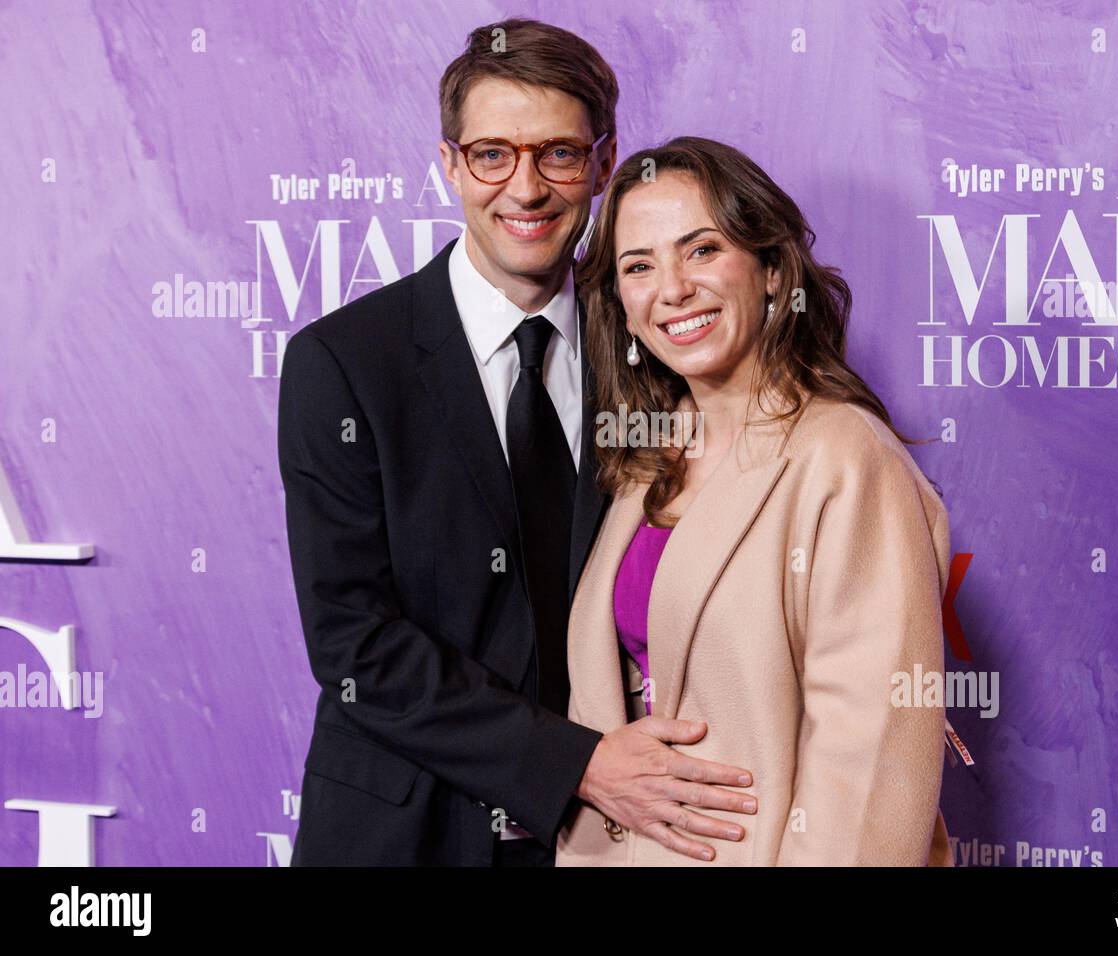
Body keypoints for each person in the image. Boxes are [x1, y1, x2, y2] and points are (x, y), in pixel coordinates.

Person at [279, 21, 756, 867]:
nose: (526, 188)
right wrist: (576, 763)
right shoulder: (345, 363)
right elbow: (354, 641)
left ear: (605, 164)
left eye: (559, 155)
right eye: (493, 154)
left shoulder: (655, 347)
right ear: (451, 164)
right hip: (404, 836)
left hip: (613, 841)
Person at [556, 136, 956, 865]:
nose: (672, 288)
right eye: (638, 266)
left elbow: (869, 770)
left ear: (772, 271)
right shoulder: (646, 456)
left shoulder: (844, 458)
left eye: (702, 250)